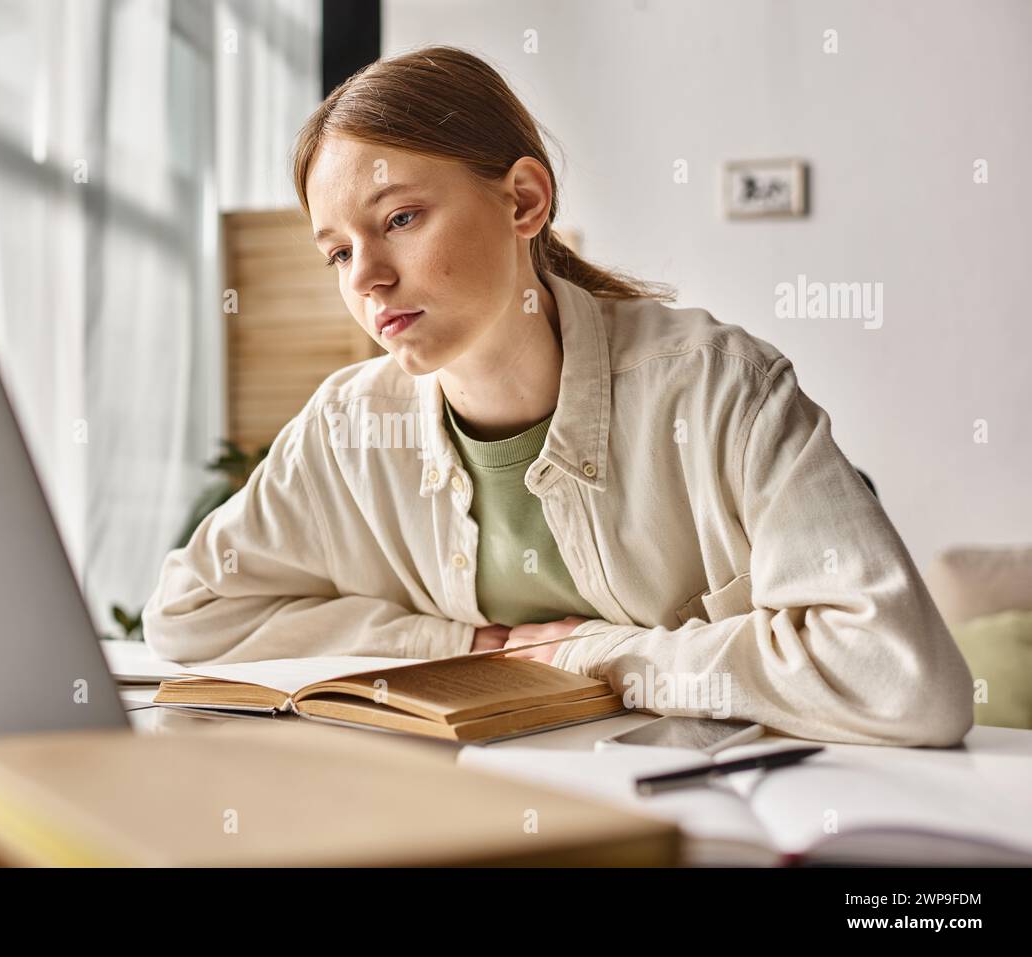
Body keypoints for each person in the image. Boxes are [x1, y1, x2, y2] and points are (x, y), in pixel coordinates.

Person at [143, 45, 973, 747]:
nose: (366, 277)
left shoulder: (720, 386)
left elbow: (905, 680)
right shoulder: (345, 426)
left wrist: (604, 653)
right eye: (336, 253)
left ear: (524, 200)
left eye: (398, 219)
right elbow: (190, 614)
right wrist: (462, 645)